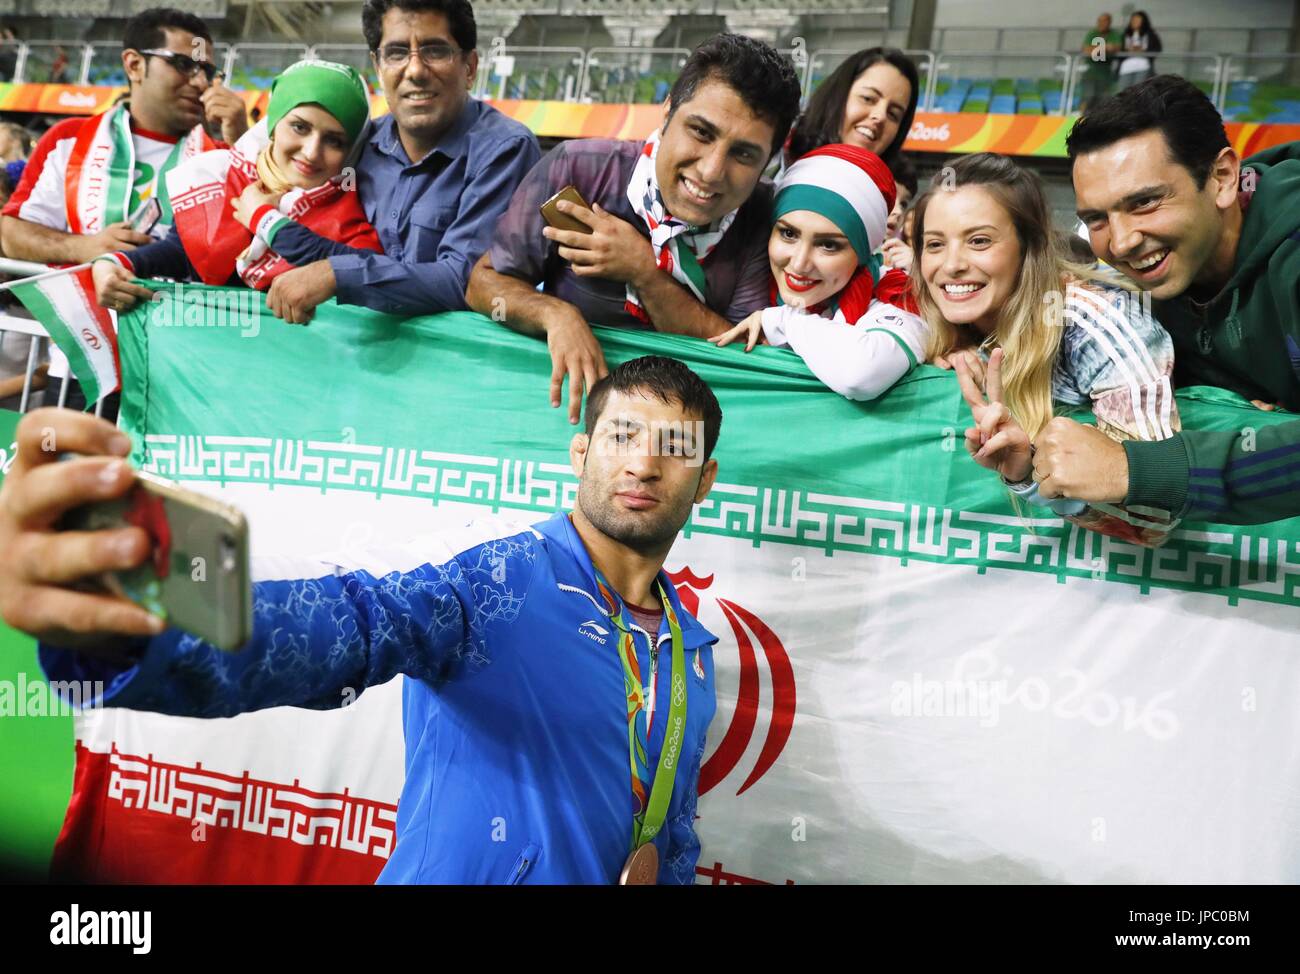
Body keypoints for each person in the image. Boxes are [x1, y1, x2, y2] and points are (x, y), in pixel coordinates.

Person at [0, 355, 723, 885]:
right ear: (582, 452)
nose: (644, 465)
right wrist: (136, 624)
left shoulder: (691, 648)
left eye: (673, 449)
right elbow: (351, 624)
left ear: (705, 480)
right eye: (623, 437)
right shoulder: (500, 577)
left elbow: (672, 832)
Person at [466, 32, 802, 425]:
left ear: (769, 163)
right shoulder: (579, 170)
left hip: (693, 438)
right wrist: (554, 315)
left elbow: (740, 354)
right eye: (701, 132)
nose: (711, 171)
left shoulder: (769, 218)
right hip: (567, 421)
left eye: (743, 154)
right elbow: (483, 286)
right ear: (665, 114)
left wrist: (644, 271)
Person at [1044, 75, 1300, 525]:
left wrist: (1134, 470)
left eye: (1144, 203)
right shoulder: (1142, 284)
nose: (1121, 243)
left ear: (1222, 178)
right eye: (1096, 218)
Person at [913, 152, 1180, 546]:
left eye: (979, 241)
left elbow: (1154, 516)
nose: (951, 264)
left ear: (1029, 246)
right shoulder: (933, 324)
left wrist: (1030, 472)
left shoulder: (1092, 322)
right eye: (934, 244)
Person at [263, 0, 541, 324]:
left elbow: (463, 281)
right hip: (348, 357)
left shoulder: (504, 150)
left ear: (470, 67)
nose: (416, 71)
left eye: (435, 51)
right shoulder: (356, 145)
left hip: (451, 368)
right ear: (378, 68)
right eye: (396, 53)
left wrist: (339, 275)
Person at [92, 59, 382, 313]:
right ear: (273, 123)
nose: (311, 152)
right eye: (299, 127)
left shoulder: (353, 209)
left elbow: (370, 272)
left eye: (334, 141)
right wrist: (114, 263)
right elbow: (182, 254)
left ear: (351, 151)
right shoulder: (220, 178)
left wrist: (267, 221)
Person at [0, 8, 249, 265]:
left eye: (207, 72)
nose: (199, 83)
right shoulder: (69, 139)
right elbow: (12, 234)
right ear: (134, 65)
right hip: (83, 303)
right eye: (184, 65)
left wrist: (243, 146)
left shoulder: (224, 155)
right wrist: (84, 247)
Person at [709, 144, 927, 402]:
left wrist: (782, 321)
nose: (800, 264)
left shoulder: (897, 294)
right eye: (788, 234)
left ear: (863, 252)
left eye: (828, 245)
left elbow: (859, 375)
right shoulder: (756, 283)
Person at [786, 47, 920, 176]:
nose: (880, 116)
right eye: (868, 98)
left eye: (893, 114)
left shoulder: (883, 195)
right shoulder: (778, 162)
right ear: (837, 95)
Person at [881, 151, 917, 272]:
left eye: (903, 204)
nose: (899, 211)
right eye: (888, 197)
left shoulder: (906, 262)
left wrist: (916, 271)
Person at [1078, 13, 1121, 112]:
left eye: (1105, 21)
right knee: (1087, 96)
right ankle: (1079, 118)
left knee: (1103, 99)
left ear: (1109, 23)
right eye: (1100, 21)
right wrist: (1105, 47)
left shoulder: (1114, 34)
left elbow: (1116, 47)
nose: (1102, 23)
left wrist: (1097, 48)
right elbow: (1086, 49)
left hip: (1105, 73)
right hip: (1090, 72)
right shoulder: (1092, 33)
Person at [1117, 11, 1161, 89]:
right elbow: (1120, 49)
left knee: (1139, 91)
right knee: (1123, 91)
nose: (1135, 22)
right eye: (1133, 20)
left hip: (1143, 66)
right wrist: (1128, 49)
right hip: (1126, 67)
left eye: (1137, 20)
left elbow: (1157, 48)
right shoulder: (1126, 35)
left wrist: (1143, 50)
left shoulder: (1150, 35)